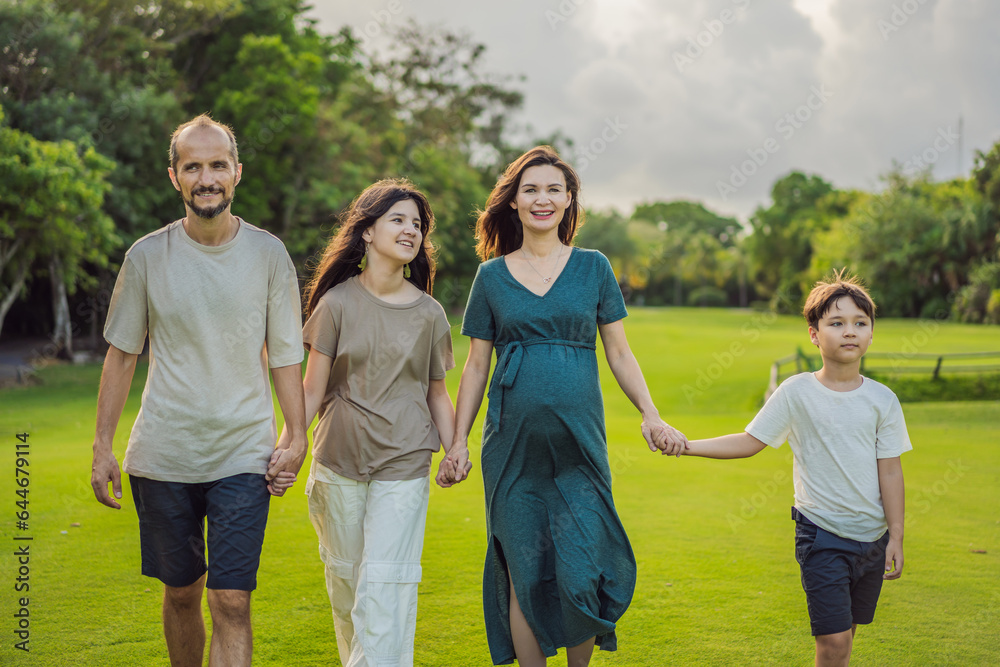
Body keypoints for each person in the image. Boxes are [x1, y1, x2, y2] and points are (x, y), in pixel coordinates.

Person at [441, 146, 687, 666]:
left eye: (554, 189)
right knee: (524, 574)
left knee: (582, 569)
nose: (542, 199)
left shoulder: (593, 268)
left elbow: (619, 352)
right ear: (513, 201)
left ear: (569, 200)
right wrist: (457, 442)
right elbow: (476, 367)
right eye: (530, 189)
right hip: (511, 451)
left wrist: (651, 413)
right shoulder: (491, 277)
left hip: (581, 447)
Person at [89, 114, 308, 667]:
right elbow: (122, 354)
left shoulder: (268, 255)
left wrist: (297, 435)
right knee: (183, 593)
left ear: (237, 172)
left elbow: (286, 355)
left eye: (217, 166)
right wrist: (102, 446)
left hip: (243, 453)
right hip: (164, 455)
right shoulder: (146, 257)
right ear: (174, 176)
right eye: (193, 167)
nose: (206, 178)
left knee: (231, 600)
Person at [269, 178, 465, 667]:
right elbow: (310, 390)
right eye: (398, 220)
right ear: (367, 232)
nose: (410, 230)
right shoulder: (336, 304)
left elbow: (436, 392)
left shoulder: (430, 314)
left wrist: (456, 447)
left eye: (417, 224)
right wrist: (288, 448)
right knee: (348, 584)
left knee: (385, 584)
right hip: (337, 463)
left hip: (404, 463)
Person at [683, 271, 910, 667]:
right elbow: (749, 441)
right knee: (833, 641)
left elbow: (890, 471)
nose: (850, 331)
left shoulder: (883, 399)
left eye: (860, 323)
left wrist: (897, 535)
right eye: (836, 323)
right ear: (814, 334)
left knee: (847, 634)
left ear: (872, 333)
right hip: (822, 535)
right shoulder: (796, 392)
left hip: (872, 539)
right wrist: (686, 446)